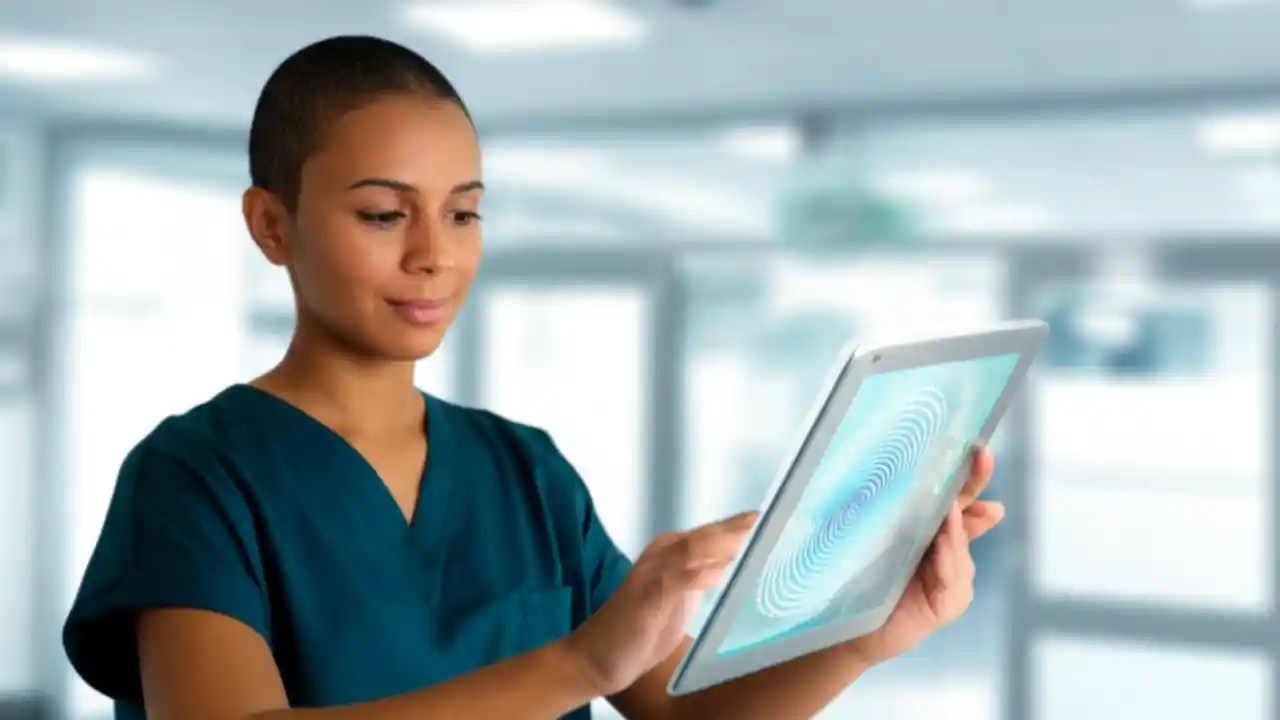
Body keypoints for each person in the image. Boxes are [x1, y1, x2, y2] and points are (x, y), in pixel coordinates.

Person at [62, 35, 1004, 720]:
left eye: (463, 213)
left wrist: (870, 634)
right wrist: (577, 665)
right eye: (385, 215)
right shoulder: (194, 478)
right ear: (272, 225)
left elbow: (681, 711)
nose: (434, 255)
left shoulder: (525, 472)